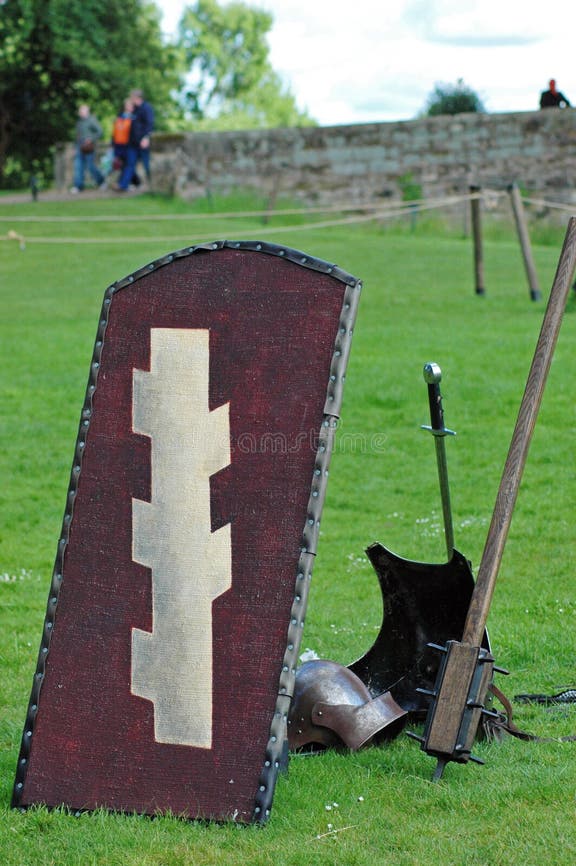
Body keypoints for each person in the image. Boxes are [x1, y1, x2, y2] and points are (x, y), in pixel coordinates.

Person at [115, 88, 154, 192]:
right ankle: (123, 185)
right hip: (132, 143)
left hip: (142, 142)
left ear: (137, 97)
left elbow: (149, 124)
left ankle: (152, 185)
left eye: (132, 97)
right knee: (129, 164)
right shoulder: (134, 109)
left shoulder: (146, 108)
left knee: (147, 164)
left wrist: (146, 138)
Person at [71, 104, 105, 193]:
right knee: (78, 166)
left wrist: (91, 139)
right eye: (80, 111)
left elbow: (100, 132)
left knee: (90, 166)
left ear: (87, 111)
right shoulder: (79, 122)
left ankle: (101, 181)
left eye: (83, 110)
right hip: (79, 145)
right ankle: (78, 186)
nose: (81, 112)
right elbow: (77, 135)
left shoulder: (92, 120)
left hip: (89, 146)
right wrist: (74, 147)